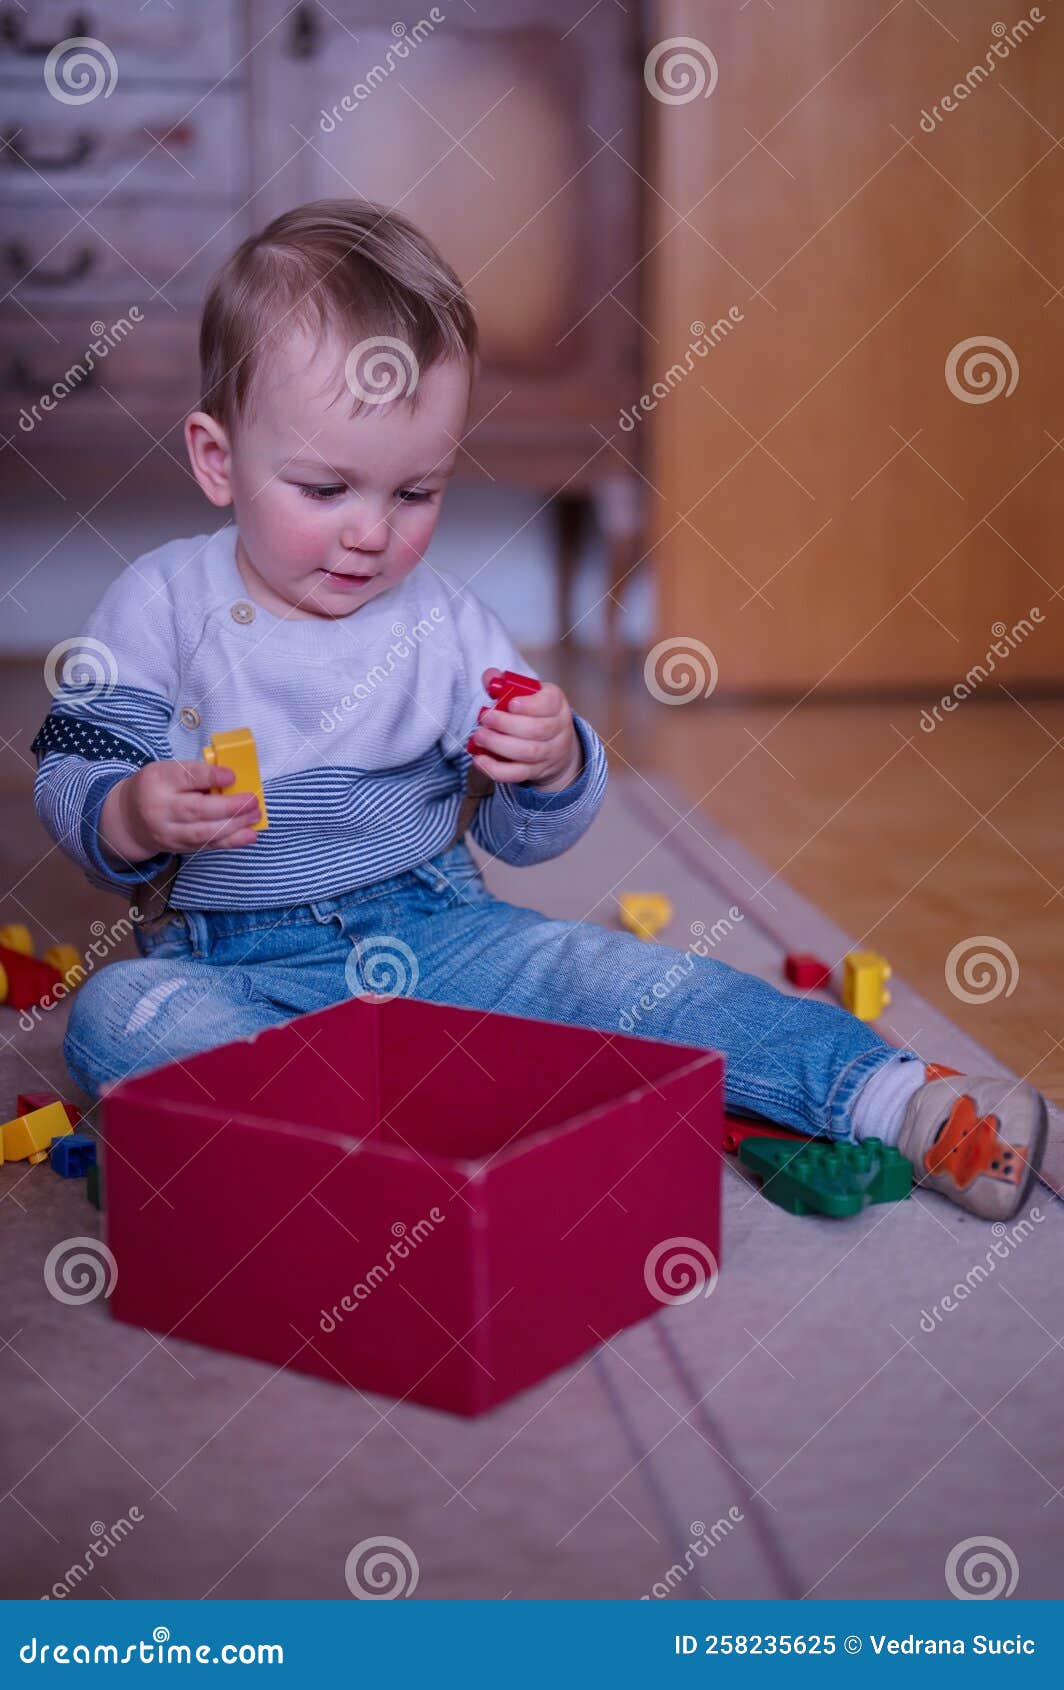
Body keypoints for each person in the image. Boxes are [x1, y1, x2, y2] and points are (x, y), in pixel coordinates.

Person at [31, 199, 1046, 1223]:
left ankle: (897, 1100)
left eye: (414, 493)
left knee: (616, 979)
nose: (369, 535)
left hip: (436, 928)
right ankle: (379, 1145)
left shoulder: (444, 624)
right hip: (235, 962)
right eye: (326, 487)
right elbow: (73, 772)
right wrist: (130, 811)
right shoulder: (160, 603)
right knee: (118, 1016)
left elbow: (526, 838)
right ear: (219, 461)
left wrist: (550, 762)